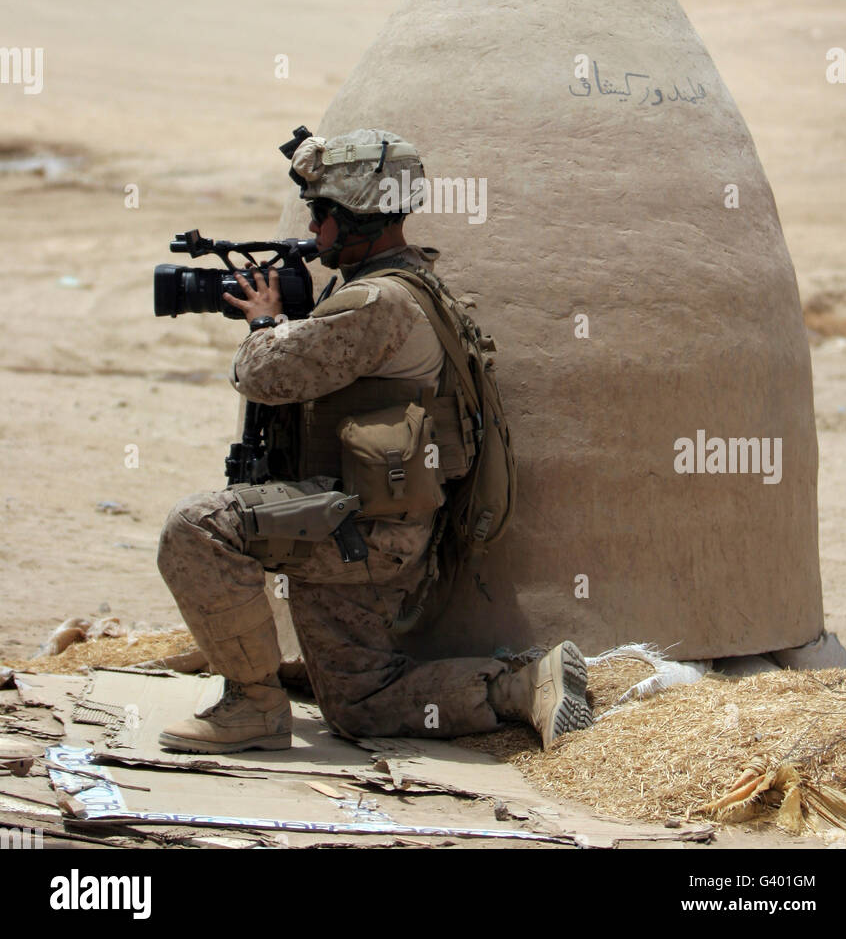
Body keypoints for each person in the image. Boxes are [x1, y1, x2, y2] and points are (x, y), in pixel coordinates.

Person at [156, 128, 592, 753]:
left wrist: (265, 322)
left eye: (321, 214)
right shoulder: (412, 284)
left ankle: (252, 706)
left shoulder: (377, 303)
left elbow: (265, 373)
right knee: (360, 703)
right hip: (377, 524)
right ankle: (519, 687)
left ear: (355, 215)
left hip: (357, 529)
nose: (314, 229)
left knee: (195, 529)